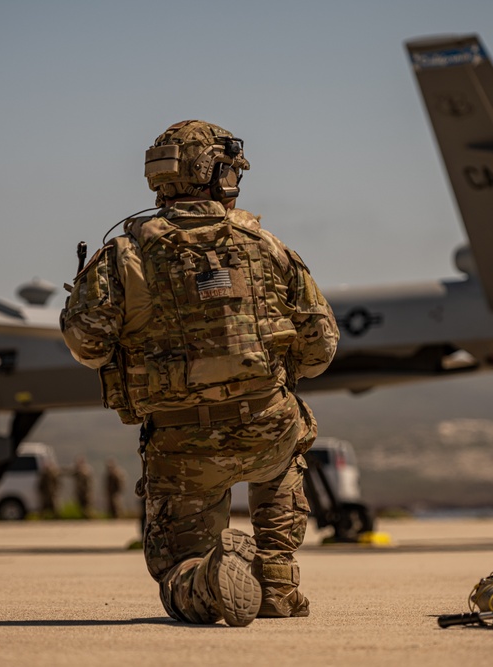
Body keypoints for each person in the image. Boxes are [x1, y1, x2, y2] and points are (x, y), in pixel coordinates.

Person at [61, 120, 338, 627]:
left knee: (175, 573)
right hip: (266, 428)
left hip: (182, 443)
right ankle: (276, 578)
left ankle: (209, 580)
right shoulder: (269, 246)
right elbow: (320, 349)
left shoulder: (124, 255)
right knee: (287, 439)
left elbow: (87, 346)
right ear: (222, 177)